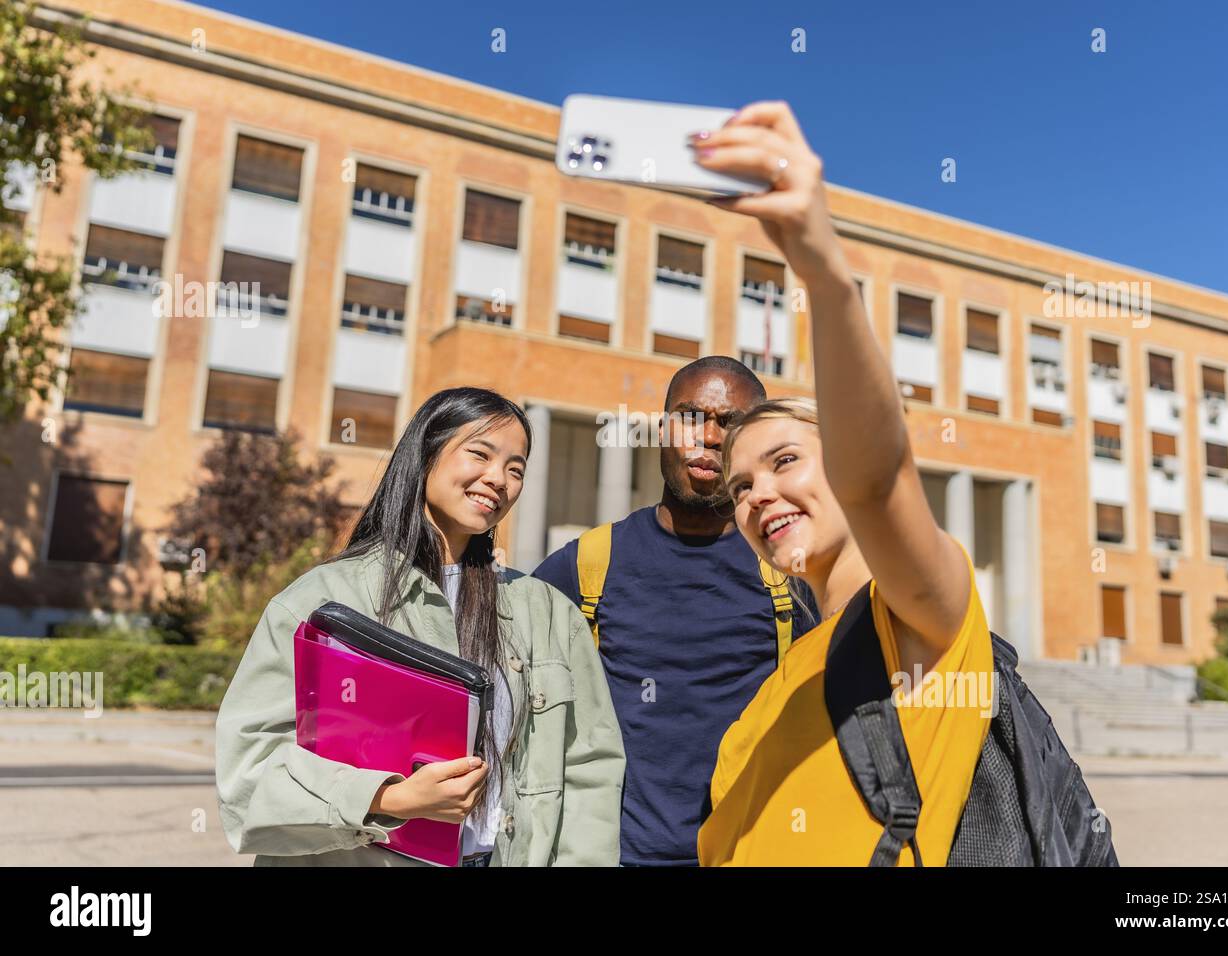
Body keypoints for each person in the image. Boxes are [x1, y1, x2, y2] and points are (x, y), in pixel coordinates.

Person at [691, 101, 993, 866]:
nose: (757, 496)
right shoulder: (773, 688)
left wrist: (822, 272)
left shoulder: (924, 615)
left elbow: (877, 478)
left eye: (786, 461)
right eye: (741, 488)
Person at [215, 386, 625, 866]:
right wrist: (391, 800)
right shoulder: (321, 600)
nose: (499, 479)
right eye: (480, 453)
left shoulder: (550, 614)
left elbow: (589, 772)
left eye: (516, 469)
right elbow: (248, 769)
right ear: (425, 454)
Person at [532, 356, 818, 866]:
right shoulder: (589, 563)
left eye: (729, 424)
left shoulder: (790, 575)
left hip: (746, 854)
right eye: (689, 416)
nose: (707, 437)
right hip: (611, 856)